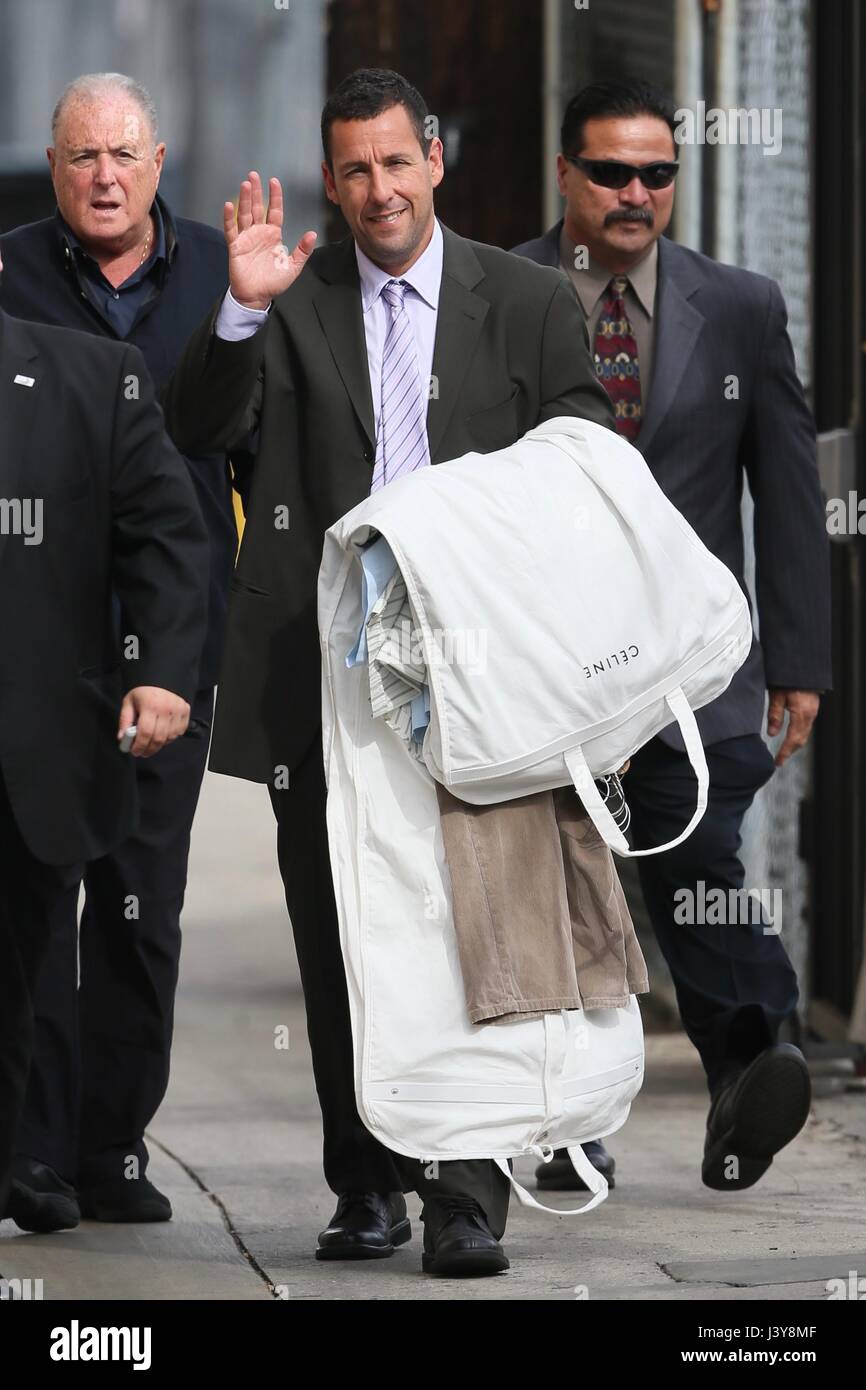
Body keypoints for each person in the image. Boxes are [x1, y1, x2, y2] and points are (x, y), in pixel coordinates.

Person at [163, 67, 615, 1277]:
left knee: (479, 935)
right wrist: (239, 316)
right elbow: (197, 432)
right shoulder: (293, 297)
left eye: (394, 163)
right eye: (352, 170)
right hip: (328, 682)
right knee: (345, 939)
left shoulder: (521, 300)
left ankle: (464, 1196)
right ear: (333, 179)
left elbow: (582, 465)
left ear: (434, 160)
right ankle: (366, 1187)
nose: (377, 190)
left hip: (480, 676)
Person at [512, 78, 831, 1194]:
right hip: (542, 664)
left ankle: (752, 1064)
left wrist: (797, 660)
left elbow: (786, 492)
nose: (634, 193)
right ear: (565, 174)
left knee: (690, 849)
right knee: (560, 877)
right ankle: (567, 1125)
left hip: (693, 667)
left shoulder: (737, 306)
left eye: (655, 173)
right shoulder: (501, 292)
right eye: (608, 172)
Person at [0, 72, 234, 1228]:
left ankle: (113, 1148)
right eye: (82, 156)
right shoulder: (11, 273)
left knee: (140, 909)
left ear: (157, 167)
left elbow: (252, 458)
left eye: (123, 155)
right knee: (37, 908)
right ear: (55, 169)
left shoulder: (217, 273)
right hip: (37, 647)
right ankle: (33, 1154)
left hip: (165, 643)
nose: (103, 175)